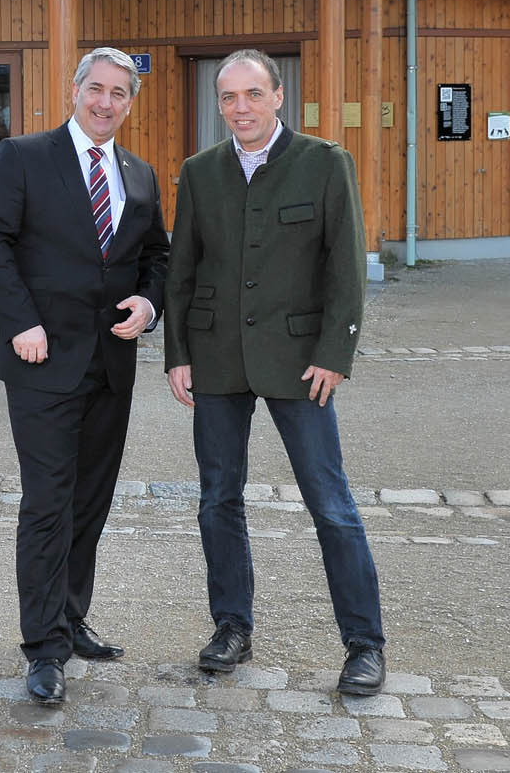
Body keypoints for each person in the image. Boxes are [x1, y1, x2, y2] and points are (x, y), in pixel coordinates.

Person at [162, 48, 387, 696]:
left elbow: (345, 268)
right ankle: (232, 626)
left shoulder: (324, 163)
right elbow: (182, 271)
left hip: (300, 362)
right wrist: (178, 353)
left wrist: (335, 353)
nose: (241, 109)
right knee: (218, 500)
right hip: (217, 358)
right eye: (228, 97)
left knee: (331, 504)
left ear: (279, 97)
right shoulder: (200, 172)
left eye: (253, 94)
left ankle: (365, 644)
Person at [0, 47, 171, 706]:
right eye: (96, 89)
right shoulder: (24, 156)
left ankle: (71, 617)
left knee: (90, 501)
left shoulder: (139, 175)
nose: (105, 102)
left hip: (111, 365)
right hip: (40, 360)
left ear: (130, 104)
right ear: (75, 90)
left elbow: (157, 257)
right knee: (49, 502)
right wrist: (20, 321)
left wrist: (149, 304)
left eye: (119, 93)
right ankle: (44, 646)